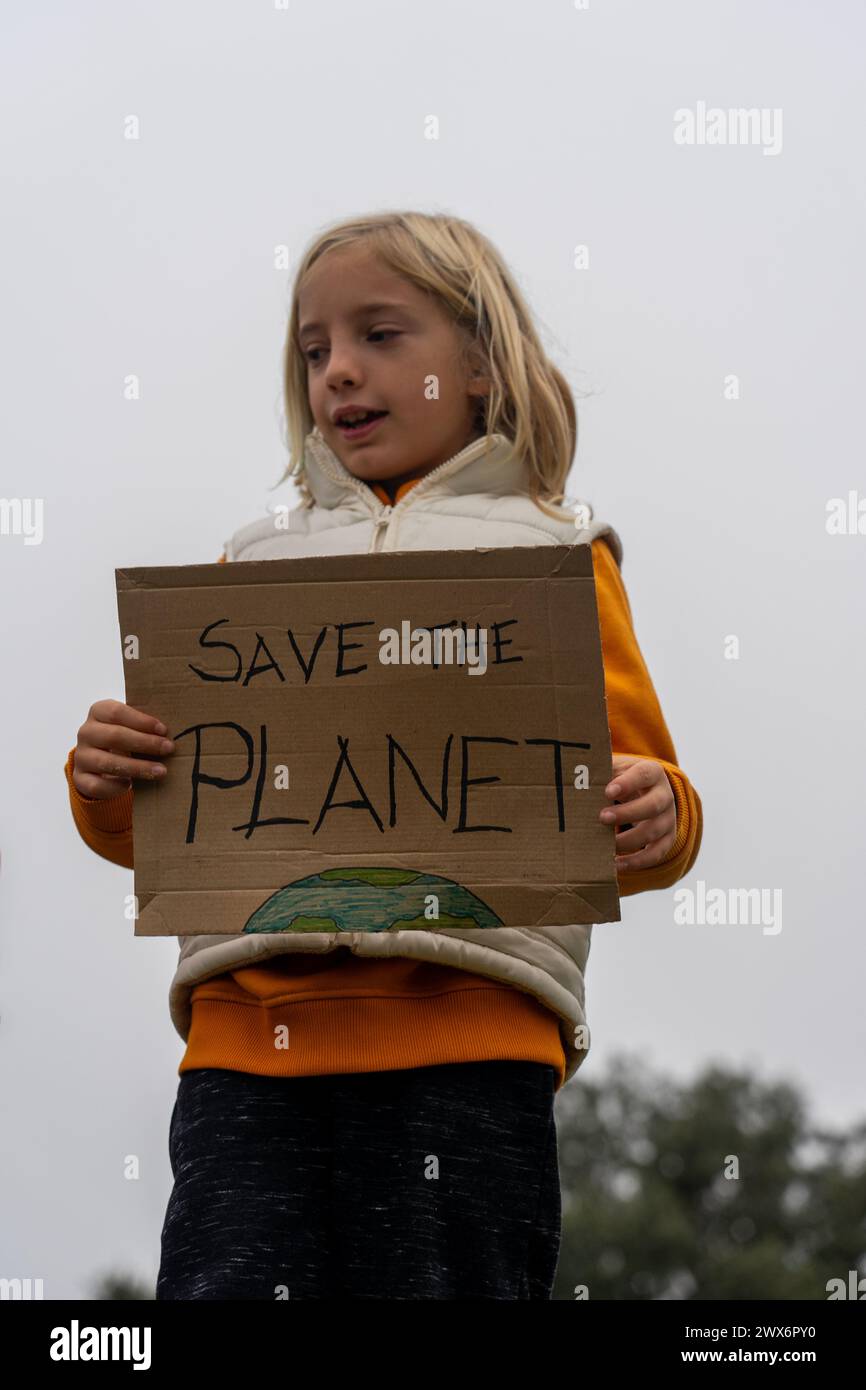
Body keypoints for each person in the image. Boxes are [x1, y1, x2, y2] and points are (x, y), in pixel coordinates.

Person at [64, 210, 703, 1300]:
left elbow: (641, 812)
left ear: (481, 369)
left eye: (378, 335)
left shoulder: (559, 561)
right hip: (242, 1050)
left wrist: (659, 810)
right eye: (313, 351)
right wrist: (105, 781)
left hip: (471, 1052)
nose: (338, 372)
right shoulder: (250, 568)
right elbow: (165, 822)